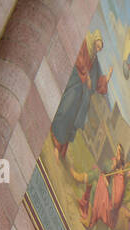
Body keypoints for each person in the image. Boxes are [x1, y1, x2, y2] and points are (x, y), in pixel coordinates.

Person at [51, 31, 111, 163]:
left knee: (75, 117)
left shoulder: (94, 59)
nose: (97, 50)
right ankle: (56, 140)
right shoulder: (84, 44)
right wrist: (87, 76)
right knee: (67, 107)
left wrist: (105, 79)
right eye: (97, 46)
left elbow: (96, 80)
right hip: (74, 83)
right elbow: (78, 60)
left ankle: (61, 147)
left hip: (81, 93)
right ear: (94, 41)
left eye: (99, 49)